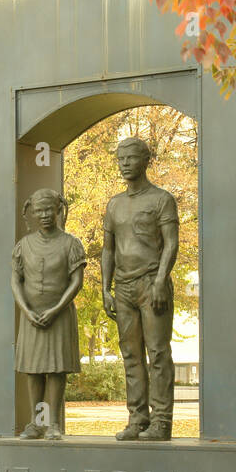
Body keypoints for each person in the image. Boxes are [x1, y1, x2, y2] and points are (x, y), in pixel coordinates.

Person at [101, 137, 178, 441]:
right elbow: (108, 250)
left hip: (151, 283)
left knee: (158, 353)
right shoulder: (114, 204)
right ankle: (138, 419)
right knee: (130, 355)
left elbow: (171, 243)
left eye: (131, 158)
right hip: (124, 287)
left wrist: (160, 280)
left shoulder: (162, 199)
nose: (125, 164)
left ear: (146, 160)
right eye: (121, 159)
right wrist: (105, 288)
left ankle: (161, 421)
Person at [11, 188, 86, 440]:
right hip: (31, 316)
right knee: (33, 369)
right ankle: (35, 422)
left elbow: (76, 281)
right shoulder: (23, 245)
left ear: (58, 210)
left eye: (48, 210)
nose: (43, 215)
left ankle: (54, 423)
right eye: (38, 210)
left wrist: (56, 309)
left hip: (60, 315)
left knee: (56, 369)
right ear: (31, 213)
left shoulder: (71, 244)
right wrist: (26, 310)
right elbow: (15, 281)